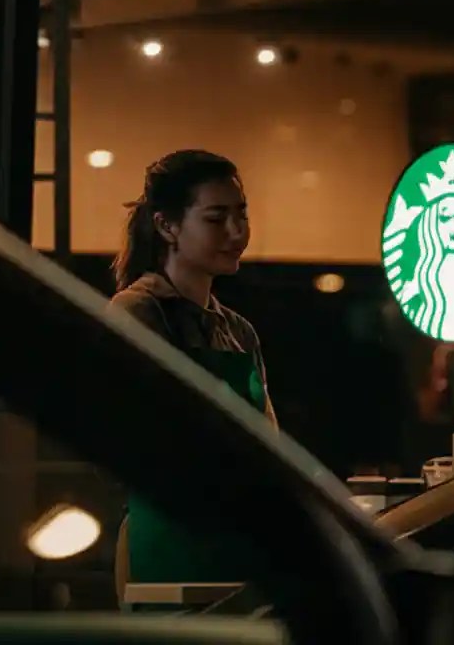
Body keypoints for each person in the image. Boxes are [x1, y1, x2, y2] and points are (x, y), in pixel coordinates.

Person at [107, 149, 276, 609]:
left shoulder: (238, 330)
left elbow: (272, 446)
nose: (236, 232)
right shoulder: (138, 312)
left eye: (241, 215)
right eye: (216, 218)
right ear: (167, 226)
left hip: (237, 545)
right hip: (168, 546)